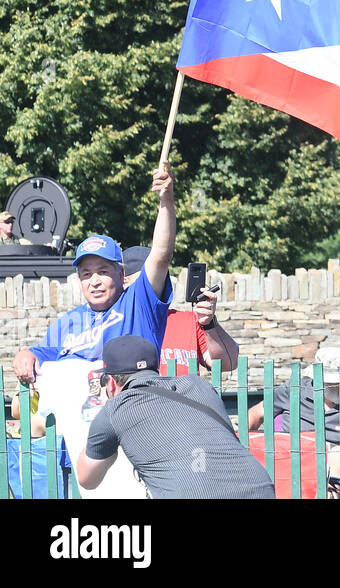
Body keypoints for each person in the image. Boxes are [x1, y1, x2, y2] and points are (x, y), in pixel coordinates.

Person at [12, 163, 176, 382]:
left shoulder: (138, 304)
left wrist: (166, 200)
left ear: (121, 275)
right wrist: (26, 355)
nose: (95, 281)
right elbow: (41, 354)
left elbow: (161, 255)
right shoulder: (68, 322)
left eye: (103, 271)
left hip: (132, 409)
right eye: (86, 274)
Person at [74, 335, 273, 498]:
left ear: (109, 383)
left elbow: (87, 479)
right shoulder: (200, 385)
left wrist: (107, 442)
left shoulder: (114, 409)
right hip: (259, 487)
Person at [120, 246, 238, 376]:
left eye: (159, 277)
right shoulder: (113, 323)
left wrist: (209, 324)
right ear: (124, 283)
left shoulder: (189, 321)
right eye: (146, 280)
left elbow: (229, 363)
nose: (154, 284)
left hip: (186, 396)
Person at [247, 346, 340, 449]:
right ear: (317, 378)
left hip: (337, 467)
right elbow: (256, 414)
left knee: (337, 453)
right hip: (290, 461)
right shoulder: (293, 390)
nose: (338, 385)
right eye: (332, 382)